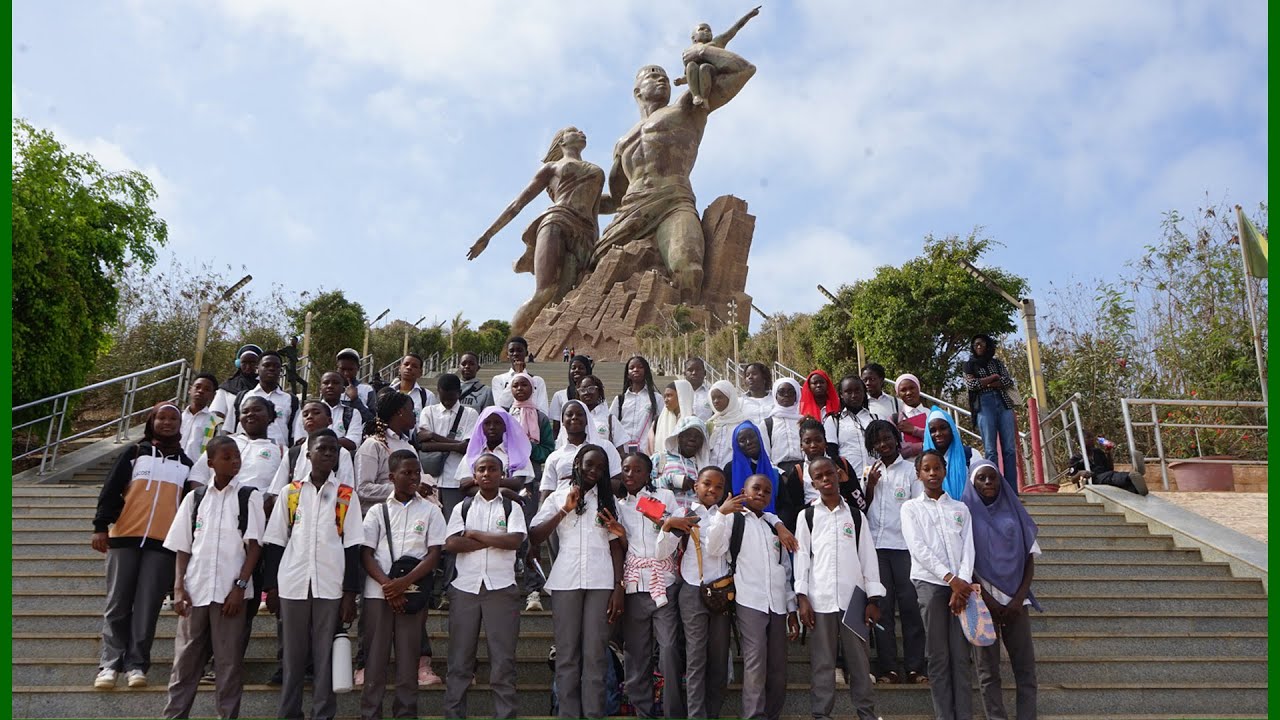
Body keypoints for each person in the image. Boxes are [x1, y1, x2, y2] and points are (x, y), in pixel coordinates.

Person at [91, 402, 195, 690]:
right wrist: (101, 526)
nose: (167, 422)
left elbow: (189, 509)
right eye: (162, 417)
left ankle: (136, 664)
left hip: (163, 545)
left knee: (147, 607)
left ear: (179, 424)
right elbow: (111, 489)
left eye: (173, 418)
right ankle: (110, 664)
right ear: (152, 421)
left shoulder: (186, 464)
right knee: (117, 604)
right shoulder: (135, 453)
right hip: (124, 537)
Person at [262, 429, 363, 720]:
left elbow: (353, 546)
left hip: (330, 586)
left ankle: (322, 713)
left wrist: (349, 593)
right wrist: (272, 589)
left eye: (333, 450)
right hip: (293, 583)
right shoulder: (290, 492)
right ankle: (289, 713)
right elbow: (276, 542)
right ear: (308, 455)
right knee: (293, 657)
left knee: (324, 656)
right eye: (322, 449)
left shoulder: (345, 496)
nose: (329, 454)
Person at [162, 435, 265, 719]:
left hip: (230, 594)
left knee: (229, 664)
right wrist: (179, 589)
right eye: (227, 457)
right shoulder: (195, 498)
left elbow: (254, 546)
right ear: (210, 463)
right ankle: (174, 715)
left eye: (237, 457)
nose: (234, 461)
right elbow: (183, 546)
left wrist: (240, 586)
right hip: (195, 591)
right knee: (185, 662)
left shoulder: (248, 496)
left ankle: (227, 715)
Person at [468, 127, 606, 338]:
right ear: (561, 142)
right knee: (545, 292)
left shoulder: (597, 170)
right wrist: (488, 235)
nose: (581, 132)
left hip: (585, 233)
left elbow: (596, 209)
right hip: (557, 221)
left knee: (567, 294)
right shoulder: (552, 168)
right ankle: (506, 346)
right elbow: (517, 204)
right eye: (574, 131)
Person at [528, 444, 628, 719]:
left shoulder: (609, 501)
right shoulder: (559, 496)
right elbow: (535, 536)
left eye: (600, 467)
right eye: (589, 465)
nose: (594, 471)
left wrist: (619, 588)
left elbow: (616, 547)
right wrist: (564, 509)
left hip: (602, 581)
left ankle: (594, 714)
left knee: (596, 655)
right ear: (577, 465)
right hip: (566, 581)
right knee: (567, 654)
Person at [794, 455, 885, 720]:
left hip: (853, 600)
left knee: (859, 662)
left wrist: (873, 599)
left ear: (838, 475)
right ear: (813, 483)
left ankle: (866, 713)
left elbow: (868, 558)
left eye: (829, 474)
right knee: (823, 662)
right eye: (819, 476)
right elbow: (802, 558)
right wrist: (802, 597)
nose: (825, 480)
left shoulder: (855, 516)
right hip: (820, 598)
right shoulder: (807, 516)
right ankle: (821, 714)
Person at [360, 449, 446, 720]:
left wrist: (403, 584)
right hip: (378, 594)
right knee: (375, 659)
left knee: (409, 660)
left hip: (413, 594)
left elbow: (433, 554)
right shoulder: (377, 511)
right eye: (406, 473)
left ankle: (406, 713)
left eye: (416, 472)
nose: (413, 478)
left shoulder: (431, 510)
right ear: (391, 476)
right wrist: (388, 585)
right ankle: (370, 713)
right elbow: (365, 553)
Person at [707, 474, 799, 720]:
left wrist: (792, 609)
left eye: (767, 491)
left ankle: (772, 714)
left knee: (778, 669)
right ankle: (754, 715)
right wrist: (720, 514)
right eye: (756, 488)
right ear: (743, 491)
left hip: (777, 604)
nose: (761, 494)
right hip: (749, 601)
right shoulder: (734, 520)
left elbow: (785, 570)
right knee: (755, 663)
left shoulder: (772, 525)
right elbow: (713, 548)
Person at [443, 453, 528, 718]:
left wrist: (476, 535)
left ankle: (505, 715)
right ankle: (454, 715)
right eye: (482, 469)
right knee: (459, 661)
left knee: (503, 662)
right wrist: (495, 540)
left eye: (493, 469)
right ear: (474, 475)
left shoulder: (511, 507)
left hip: (501, 588)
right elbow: (452, 543)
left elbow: (515, 541)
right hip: (465, 588)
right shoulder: (463, 507)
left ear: (501, 474)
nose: (487, 474)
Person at [901, 449, 976, 720]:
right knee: (938, 655)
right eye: (926, 469)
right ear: (918, 474)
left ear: (945, 470)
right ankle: (945, 715)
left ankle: (964, 714)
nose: (932, 474)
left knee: (960, 655)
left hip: (961, 590)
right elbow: (918, 547)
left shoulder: (960, 508)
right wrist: (950, 579)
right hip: (931, 585)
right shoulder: (910, 508)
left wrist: (963, 582)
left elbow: (968, 546)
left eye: (937, 468)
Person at [615, 453, 691, 719]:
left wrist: (656, 514)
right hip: (635, 584)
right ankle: (642, 711)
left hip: (664, 583)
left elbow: (676, 528)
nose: (630, 475)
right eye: (626, 470)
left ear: (648, 474)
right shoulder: (618, 504)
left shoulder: (664, 496)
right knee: (636, 652)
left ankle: (673, 712)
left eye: (637, 470)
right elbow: (622, 546)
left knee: (669, 649)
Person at [962, 460, 1040, 720]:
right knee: (987, 672)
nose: (987, 483)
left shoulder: (1014, 512)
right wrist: (989, 601)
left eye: (992, 478)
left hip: (1017, 603)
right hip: (983, 604)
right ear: (972, 484)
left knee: (1025, 669)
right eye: (981, 479)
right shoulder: (965, 516)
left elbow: (1029, 558)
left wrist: (1018, 599)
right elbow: (965, 563)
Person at [658, 467, 731, 718]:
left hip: (721, 592)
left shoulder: (727, 515)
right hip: (692, 588)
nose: (712, 490)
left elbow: (716, 548)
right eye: (707, 484)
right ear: (695, 486)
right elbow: (663, 552)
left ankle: (712, 713)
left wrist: (721, 515)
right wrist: (668, 526)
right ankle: (696, 715)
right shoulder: (684, 513)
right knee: (696, 657)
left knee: (719, 659)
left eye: (719, 486)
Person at [861, 419, 927, 685]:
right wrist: (870, 486)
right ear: (871, 445)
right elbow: (860, 510)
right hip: (876, 549)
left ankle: (915, 667)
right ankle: (888, 667)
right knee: (882, 609)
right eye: (877, 440)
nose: (883, 444)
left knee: (911, 607)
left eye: (887, 437)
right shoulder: (868, 471)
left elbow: (919, 509)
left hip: (904, 548)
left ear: (896, 438)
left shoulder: (912, 471)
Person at [963, 334, 1020, 491]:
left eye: (981, 344)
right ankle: (995, 489)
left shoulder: (997, 363)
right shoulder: (969, 365)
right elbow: (972, 384)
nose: (978, 347)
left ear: (987, 345)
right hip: (983, 404)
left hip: (1003, 403)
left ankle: (1011, 490)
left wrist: (985, 382)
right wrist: (993, 378)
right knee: (990, 450)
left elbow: (1007, 381)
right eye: (975, 345)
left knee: (1009, 448)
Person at [676, 6, 762, 106]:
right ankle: (696, 96)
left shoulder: (715, 42)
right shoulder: (688, 52)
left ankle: (705, 98)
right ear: (693, 38)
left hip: (711, 72)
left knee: (704, 67)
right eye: (702, 29)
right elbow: (690, 75)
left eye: (709, 30)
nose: (706, 31)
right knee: (691, 65)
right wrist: (681, 81)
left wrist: (748, 15)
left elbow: (733, 30)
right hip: (696, 77)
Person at [355, 390, 419, 508]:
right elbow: (363, 489)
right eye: (411, 410)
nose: (414, 415)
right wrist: (401, 488)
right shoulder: (373, 445)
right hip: (381, 517)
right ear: (400, 412)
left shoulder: (408, 446)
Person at [225, 352, 299, 447]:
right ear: (257, 368)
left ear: (280, 370)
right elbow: (228, 429)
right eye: (266, 365)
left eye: (276, 366)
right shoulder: (243, 397)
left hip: (277, 456)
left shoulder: (291, 400)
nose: (271, 369)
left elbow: (296, 435)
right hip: (244, 454)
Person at [824, 375, 879, 479]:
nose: (854, 395)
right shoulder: (834, 421)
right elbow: (831, 453)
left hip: (876, 478)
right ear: (841, 395)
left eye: (858, 391)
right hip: (849, 479)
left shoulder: (874, 418)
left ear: (864, 393)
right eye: (848, 392)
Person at [653, 415, 711, 513]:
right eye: (688, 434)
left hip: (692, 523)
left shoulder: (704, 467)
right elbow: (644, 488)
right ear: (678, 437)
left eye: (698, 436)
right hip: (662, 520)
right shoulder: (660, 458)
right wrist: (673, 480)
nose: (692, 439)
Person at [923, 408, 981, 500]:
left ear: (952, 429)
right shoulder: (923, 462)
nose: (938, 433)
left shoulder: (970, 455)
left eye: (943, 428)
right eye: (933, 430)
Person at [301, 372, 366, 454]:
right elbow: (300, 441)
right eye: (326, 383)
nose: (330, 386)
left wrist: (316, 441)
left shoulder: (352, 413)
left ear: (343, 389)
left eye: (335, 383)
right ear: (320, 389)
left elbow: (353, 443)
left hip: (341, 460)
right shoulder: (306, 412)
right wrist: (337, 441)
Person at [610, 355, 662, 454]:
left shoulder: (656, 399)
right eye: (631, 368)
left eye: (640, 367)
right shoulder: (620, 400)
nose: (636, 370)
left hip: (647, 451)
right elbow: (612, 425)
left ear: (646, 371)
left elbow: (662, 424)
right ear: (628, 374)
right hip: (623, 453)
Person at [1065, 435, 1149, 495]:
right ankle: (1133, 474)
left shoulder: (1098, 452)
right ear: (1081, 441)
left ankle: (1139, 489)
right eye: (1088, 437)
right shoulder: (1076, 458)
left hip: (1107, 476)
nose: (1092, 439)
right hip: (1093, 479)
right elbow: (1073, 480)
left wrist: (1108, 453)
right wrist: (1080, 473)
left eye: (1092, 437)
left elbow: (1110, 468)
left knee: (1121, 481)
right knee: (1112, 476)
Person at [509, 372, 556, 478]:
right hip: (508, 472)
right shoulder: (506, 416)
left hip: (533, 472)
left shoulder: (541, 418)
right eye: (515, 386)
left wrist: (529, 446)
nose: (519, 388)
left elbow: (548, 450)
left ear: (532, 388)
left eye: (524, 385)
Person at [725, 421, 778, 513]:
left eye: (752, 437)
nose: (749, 442)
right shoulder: (730, 470)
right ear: (737, 445)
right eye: (742, 440)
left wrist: (774, 522)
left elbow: (785, 505)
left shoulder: (773, 472)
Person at [492, 337, 549, 413]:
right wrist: (518, 375)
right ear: (507, 355)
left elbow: (543, 410)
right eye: (512, 351)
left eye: (519, 350)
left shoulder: (537, 381)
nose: (515, 354)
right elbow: (500, 406)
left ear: (526, 353)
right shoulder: (499, 380)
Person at [707, 379, 757, 467]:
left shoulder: (744, 423)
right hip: (713, 474)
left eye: (720, 397)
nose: (716, 401)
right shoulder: (711, 423)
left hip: (735, 472)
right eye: (713, 398)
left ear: (730, 398)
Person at [209, 345, 261, 420]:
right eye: (244, 363)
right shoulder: (227, 388)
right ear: (239, 364)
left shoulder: (266, 387)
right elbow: (215, 416)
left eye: (252, 363)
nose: (248, 367)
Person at [180, 372, 221, 464]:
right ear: (190, 389)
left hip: (194, 471)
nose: (200, 391)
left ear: (213, 395)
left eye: (207, 389)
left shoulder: (215, 423)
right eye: (197, 387)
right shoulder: (178, 417)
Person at [765, 378, 803, 477]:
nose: (786, 395)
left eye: (790, 392)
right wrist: (779, 474)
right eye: (781, 392)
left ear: (797, 396)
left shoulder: (803, 421)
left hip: (803, 470)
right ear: (775, 395)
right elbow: (765, 454)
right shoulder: (767, 423)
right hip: (778, 472)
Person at [550, 355, 594, 435]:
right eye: (573, 368)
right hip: (565, 442)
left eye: (581, 368)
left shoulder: (594, 396)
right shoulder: (559, 395)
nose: (576, 370)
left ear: (587, 370)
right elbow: (556, 427)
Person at [573, 374, 618, 447]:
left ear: (599, 391)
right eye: (582, 390)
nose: (587, 393)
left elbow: (620, 450)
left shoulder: (609, 419)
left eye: (591, 389)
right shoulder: (572, 419)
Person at [336, 348, 378, 424]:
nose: (346, 373)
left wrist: (355, 400)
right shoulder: (330, 389)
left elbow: (373, 421)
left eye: (350, 369)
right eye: (342, 369)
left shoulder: (367, 389)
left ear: (358, 368)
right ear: (337, 367)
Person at [893, 374, 929, 459]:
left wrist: (914, 430)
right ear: (898, 394)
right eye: (903, 390)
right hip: (907, 468)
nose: (908, 393)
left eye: (912, 388)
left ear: (919, 389)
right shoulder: (896, 419)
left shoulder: (931, 414)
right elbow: (896, 449)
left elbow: (939, 439)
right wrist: (924, 445)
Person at [652, 380, 691, 451]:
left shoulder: (692, 421)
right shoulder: (660, 420)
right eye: (665, 396)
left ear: (681, 396)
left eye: (669, 395)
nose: (666, 400)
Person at [739, 362, 775, 428]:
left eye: (754, 374)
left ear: (764, 378)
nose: (750, 377)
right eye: (747, 375)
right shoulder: (740, 402)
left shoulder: (775, 400)